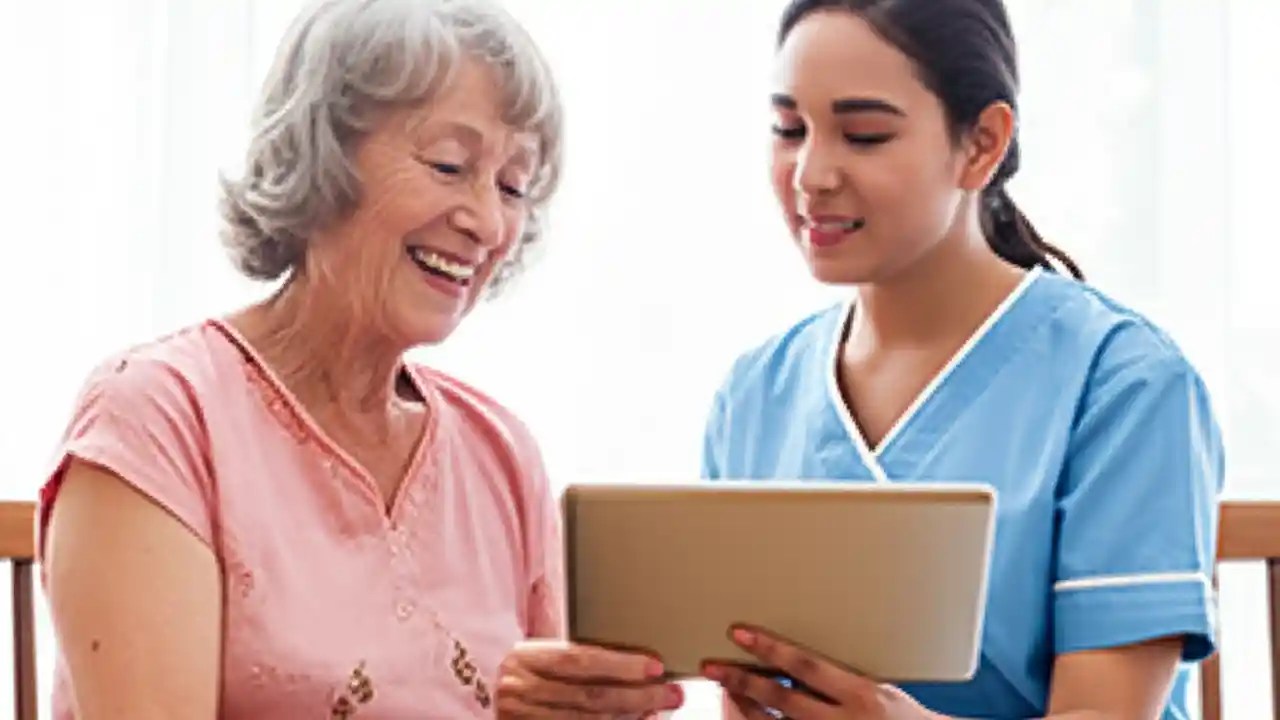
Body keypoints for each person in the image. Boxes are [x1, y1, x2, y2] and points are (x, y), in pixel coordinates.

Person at [37, 0, 683, 717]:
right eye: (449, 165)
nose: (488, 222)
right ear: (324, 156)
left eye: (512, 186)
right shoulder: (159, 417)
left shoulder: (500, 451)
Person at [695, 1, 1224, 719]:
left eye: (864, 135)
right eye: (789, 130)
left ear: (981, 144)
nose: (811, 175)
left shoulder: (1123, 383)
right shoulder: (757, 393)